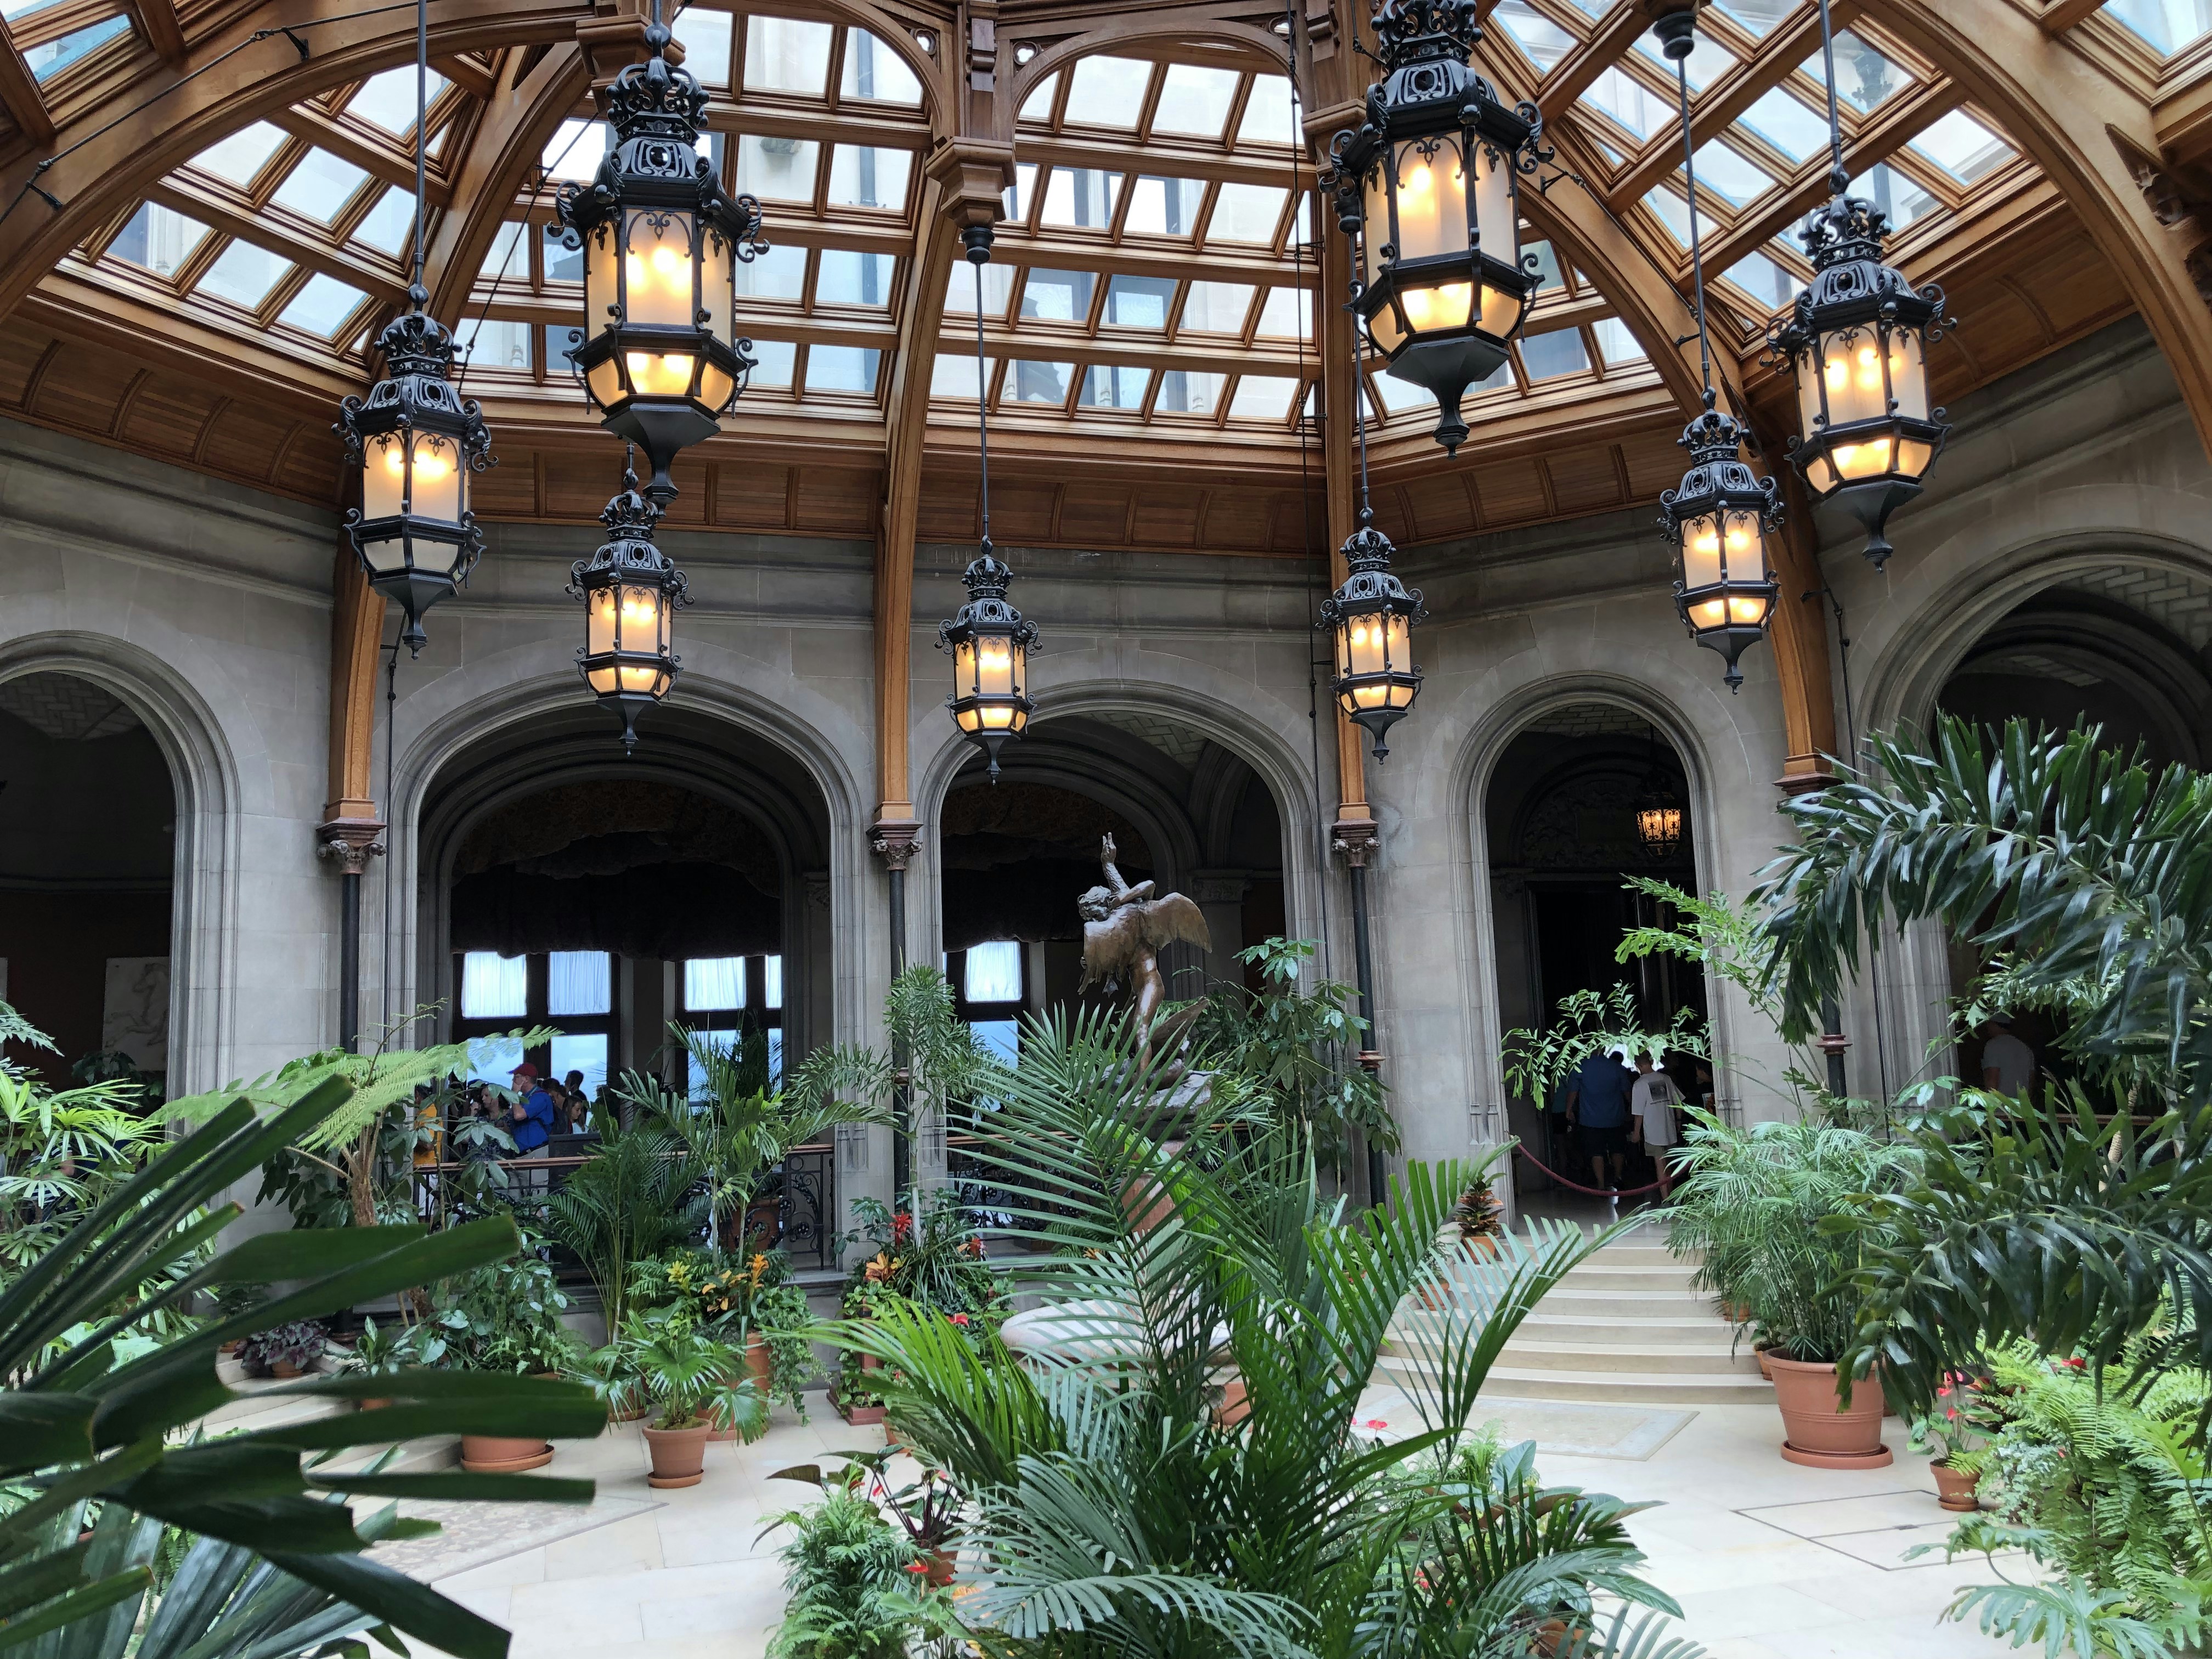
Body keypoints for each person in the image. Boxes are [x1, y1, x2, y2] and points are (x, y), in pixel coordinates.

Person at [1566, 1047, 1636, 1202]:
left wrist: (1569, 1110)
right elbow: (1627, 1091)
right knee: (1617, 1149)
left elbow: (1573, 1091)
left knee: (1596, 1152)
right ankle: (1618, 1176)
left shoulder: (1581, 1066)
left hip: (1590, 1119)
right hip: (1615, 1117)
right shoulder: (1616, 1066)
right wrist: (1632, 1108)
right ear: (1604, 1049)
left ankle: (1601, 1184)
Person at [1628, 1053, 1683, 1200]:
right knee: (1669, 1165)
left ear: (1637, 1065)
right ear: (1651, 1062)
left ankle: (1666, 1200)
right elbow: (1679, 1103)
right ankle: (1670, 1196)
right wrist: (1678, 1121)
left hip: (1653, 1131)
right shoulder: (1666, 1078)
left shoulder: (1639, 1085)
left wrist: (1636, 1133)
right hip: (1669, 1128)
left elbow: (1638, 1113)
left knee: (1660, 1166)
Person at [508, 1062, 556, 1195]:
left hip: (535, 1154)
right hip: (519, 1157)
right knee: (515, 1201)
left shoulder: (541, 1097)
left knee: (535, 1200)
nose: (513, 1081)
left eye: (516, 1077)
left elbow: (519, 1115)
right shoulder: (523, 1098)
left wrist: (514, 1094)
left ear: (526, 1079)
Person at [1981, 1018, 2036, 1097]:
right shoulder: (2025, 1048)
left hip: (2002, 1106)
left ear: (1994, 1024)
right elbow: (2031, 1080)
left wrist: (1991, 1105)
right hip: (2022, 1106)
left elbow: (1992, 1078)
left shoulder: (1993, 1046)